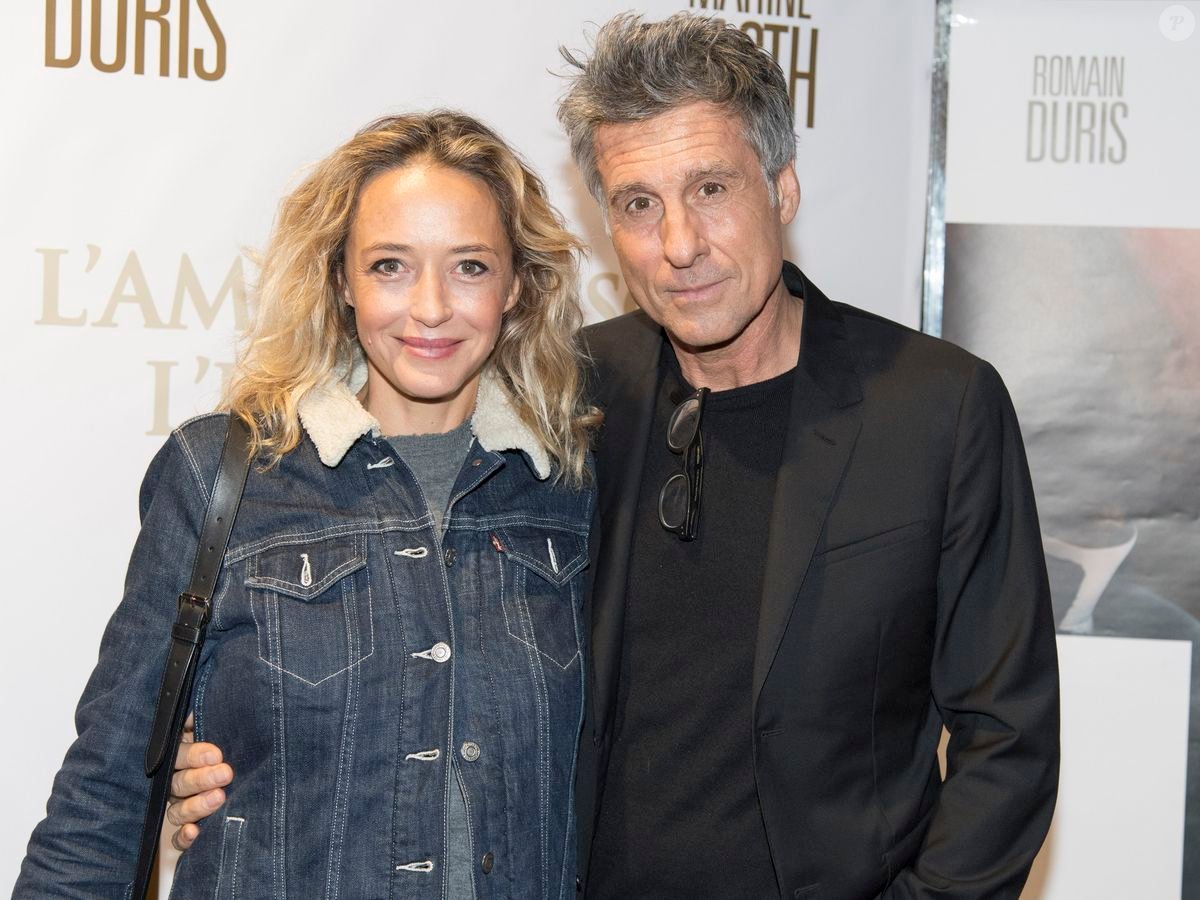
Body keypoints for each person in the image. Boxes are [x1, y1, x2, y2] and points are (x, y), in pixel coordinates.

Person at [168, 12, 1062, 899]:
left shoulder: (934, 406)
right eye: (639, 204)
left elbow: (1009, 738)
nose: (679, 245)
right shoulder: (569, 394)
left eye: (711, 189)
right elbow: (412, 590)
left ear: (782, 190)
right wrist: (233, 745)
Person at [16, 110, 598, 899]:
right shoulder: (228, 474)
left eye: (469, 266)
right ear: (340, 280)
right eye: (390, 265)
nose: (430, 307)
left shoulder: (570, 487)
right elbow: (106, 789)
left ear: (518, 286)